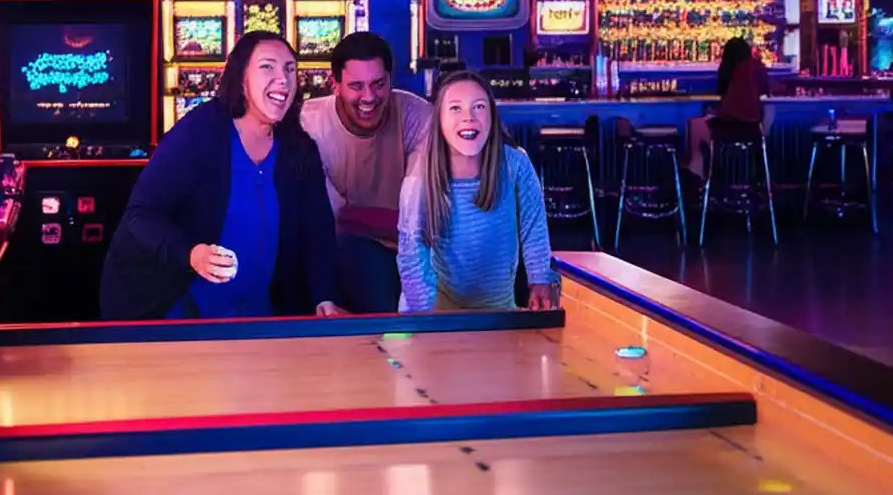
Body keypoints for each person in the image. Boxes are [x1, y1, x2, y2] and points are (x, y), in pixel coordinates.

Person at [99, 31, 345, 320]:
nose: (283, 79)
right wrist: (191, 254)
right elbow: (141, 216)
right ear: (241, 77)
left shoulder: (299, 148)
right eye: (267, 66)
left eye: (290, 69)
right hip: (180, 313)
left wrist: (325, 297)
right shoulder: (199, 132)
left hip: (261, 318)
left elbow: (318, 232)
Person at [396, 70, 559, 313]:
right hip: (435, 311)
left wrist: (540, 279)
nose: (468, 117)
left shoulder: (516, 164)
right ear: (438, 119)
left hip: (499, 310)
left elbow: (533, 227)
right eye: (455, 108)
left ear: (492, 116)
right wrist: (424, 321)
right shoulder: (421, 174)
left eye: (479, 107)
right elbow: (411, 254)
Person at [299, 32, 432, 313]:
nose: (369, 97)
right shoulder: (308, 123)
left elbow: (418, 215)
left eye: (378, 84)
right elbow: (326, 222)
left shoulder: (418, 116)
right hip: (343, 249)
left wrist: (357, 217)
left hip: (415, 244)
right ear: (334, 85)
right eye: (356, 86)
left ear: (390, 80)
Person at [685, 37, 770, 180]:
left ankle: (699, 173)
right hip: (754, 129)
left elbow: (722, 96)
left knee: (695, 125)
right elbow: (766, 93)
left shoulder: (728, 70)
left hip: (728, 128)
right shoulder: (759, 69)